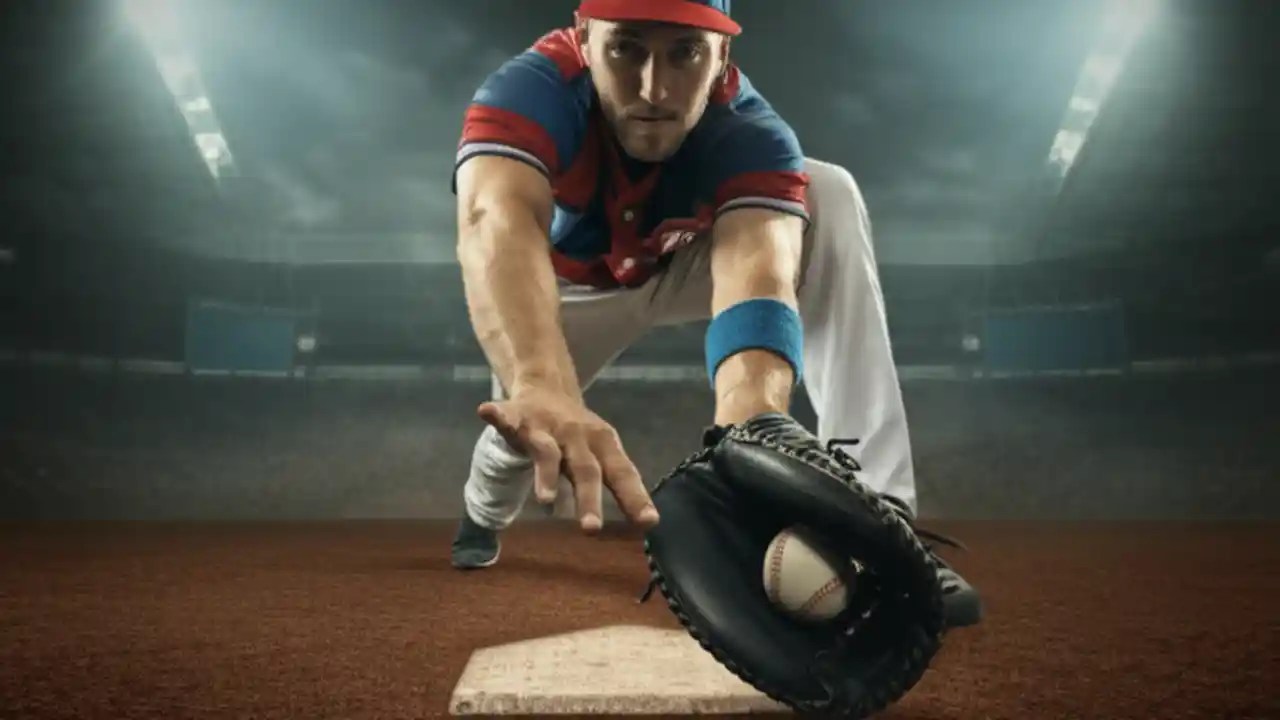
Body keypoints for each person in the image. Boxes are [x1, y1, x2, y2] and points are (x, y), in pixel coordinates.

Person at [448, 0, 982, 628]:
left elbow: (757, 280)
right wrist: (542, 382)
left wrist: (749, 438)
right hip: (567, 294)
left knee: (828, 190)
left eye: (685, 52)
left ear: (722, 56)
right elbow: (495, 222)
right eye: (627, 49)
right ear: (585, 39)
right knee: (522, 433)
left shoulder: (751, 131)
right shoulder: (529, 88)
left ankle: (881, 517)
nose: (654, 87)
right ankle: (480, 518)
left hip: (685, 268)